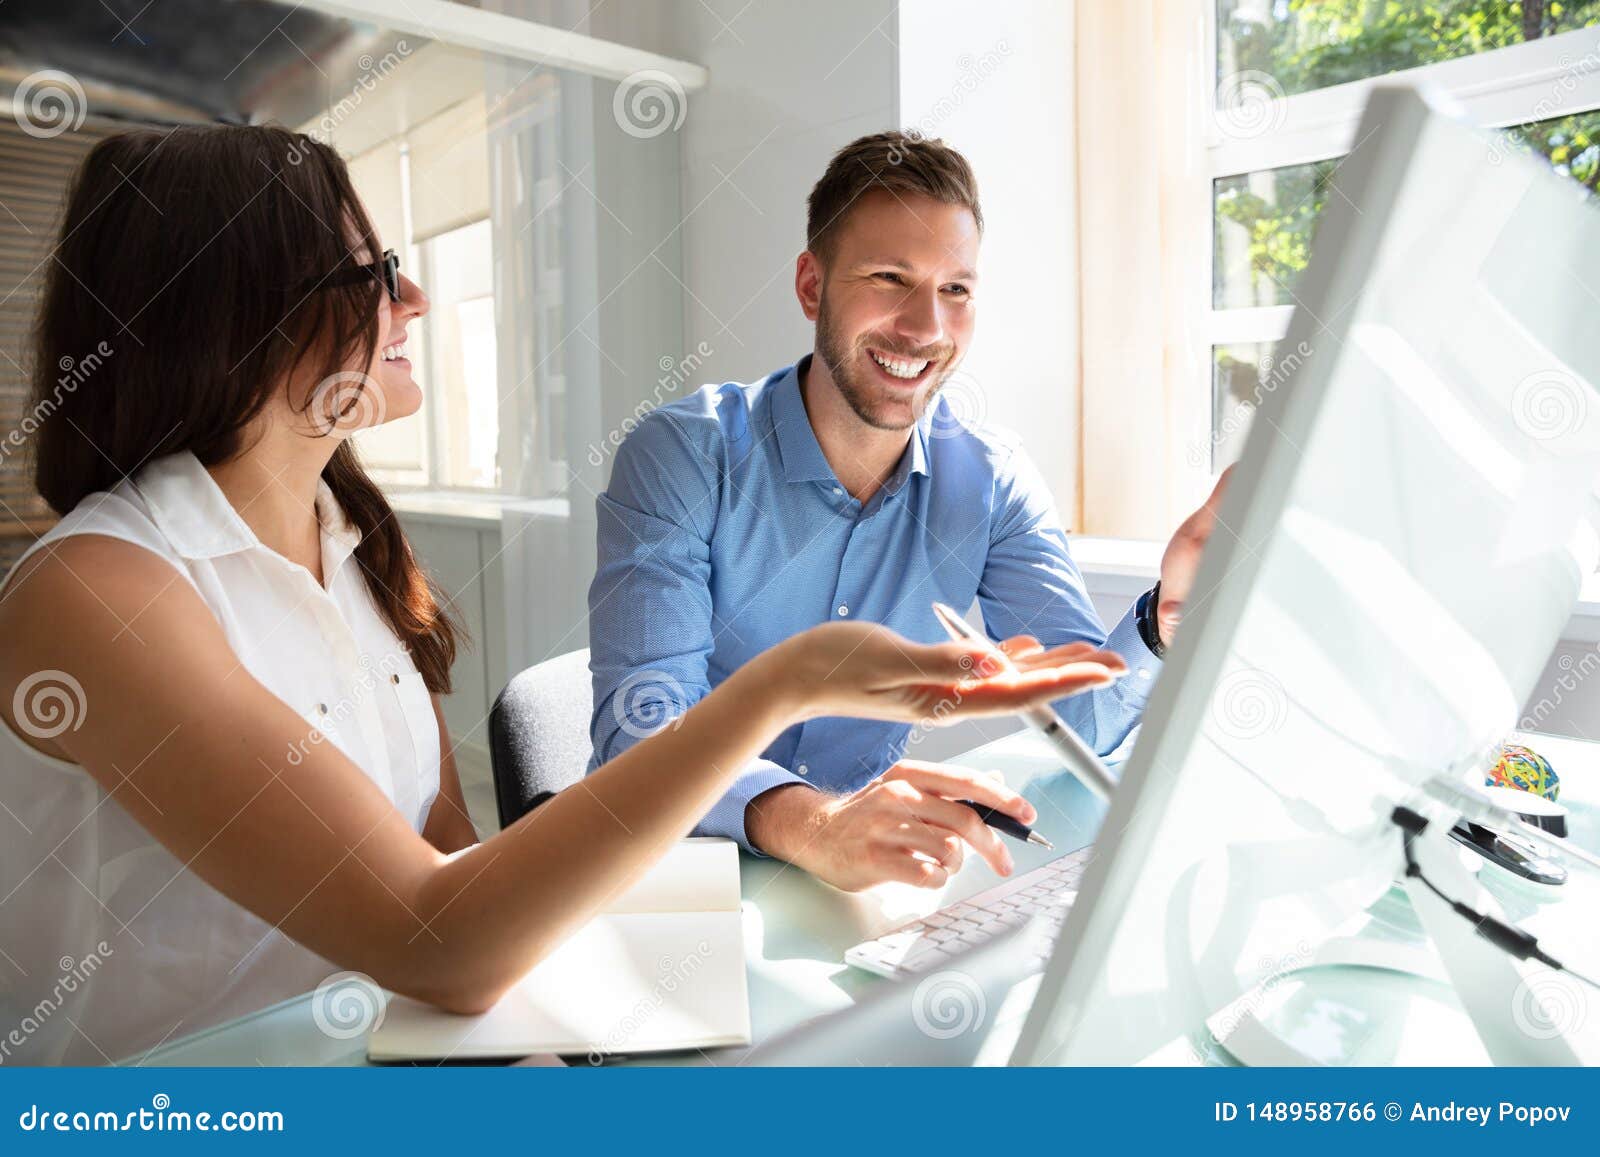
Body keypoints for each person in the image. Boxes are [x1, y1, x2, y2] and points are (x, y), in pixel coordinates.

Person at [0, 125, 1126, 1066]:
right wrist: (786, 682)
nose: (417, 293)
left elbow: (444, 850)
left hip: (396, 1059)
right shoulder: (98, 597)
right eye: (368, 269)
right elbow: (434, 936)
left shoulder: (350, 553)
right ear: (233, 311)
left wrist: (574, 1034)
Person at [588, 131, 1226, 891]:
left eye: (955, 289)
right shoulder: (686, 454)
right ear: (811, 287)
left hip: (851, 883)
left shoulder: (992, 481)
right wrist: (816, 822)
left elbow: (1080, 724)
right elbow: (641, 736)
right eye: (891, 278)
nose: (926, 327)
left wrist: (1168, 614)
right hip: (673, 876)